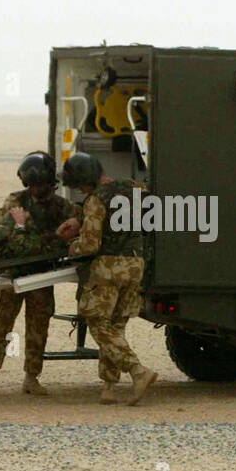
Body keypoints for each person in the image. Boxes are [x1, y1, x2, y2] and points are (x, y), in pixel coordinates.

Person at [0, 152, 80, 396]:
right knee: (2, 325)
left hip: (41, 276)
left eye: (39, 185)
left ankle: (31, 377)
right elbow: (10, 231)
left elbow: (77, 220)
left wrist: (74, 226)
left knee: (38, 327)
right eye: (31, 185)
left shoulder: (60, 206)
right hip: (14, 273)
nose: (35, 189)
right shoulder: (16, 201)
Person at [61, 152, 158, 405]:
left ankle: (138, 371)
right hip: (136, 265)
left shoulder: (96, 199)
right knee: (116, 326)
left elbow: (91, 244)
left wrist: (73, 246)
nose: (82, 192)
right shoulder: (132, 187)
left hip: (109, 267)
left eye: (81, 186)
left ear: (87, 180)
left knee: (98, 323)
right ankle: (109, 387)